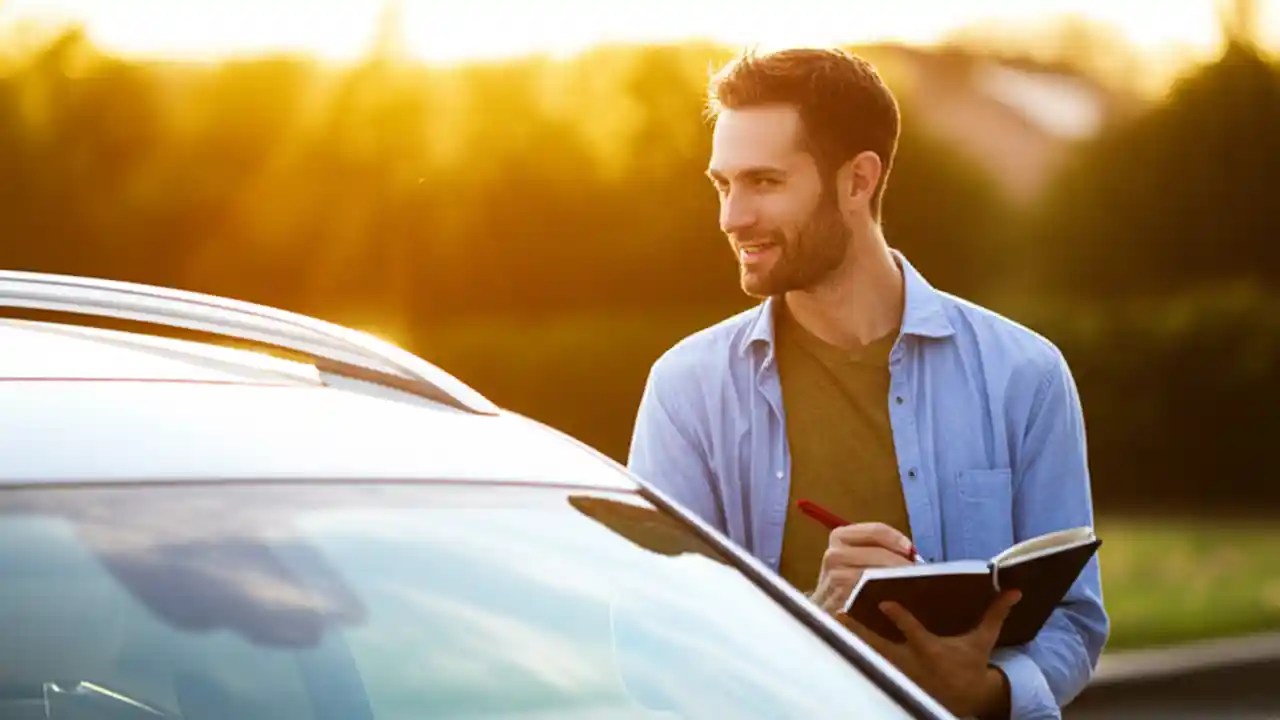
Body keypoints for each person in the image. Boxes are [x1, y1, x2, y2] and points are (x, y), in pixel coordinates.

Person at [627, 47, 1107, 719]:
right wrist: (813, 619)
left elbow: (1074, 620)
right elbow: (654, 640)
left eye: (763, 182)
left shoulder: (1023, 375)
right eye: (723, 185)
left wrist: (984, 694)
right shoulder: (688, 391)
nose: (732, 217)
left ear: (858, 181)